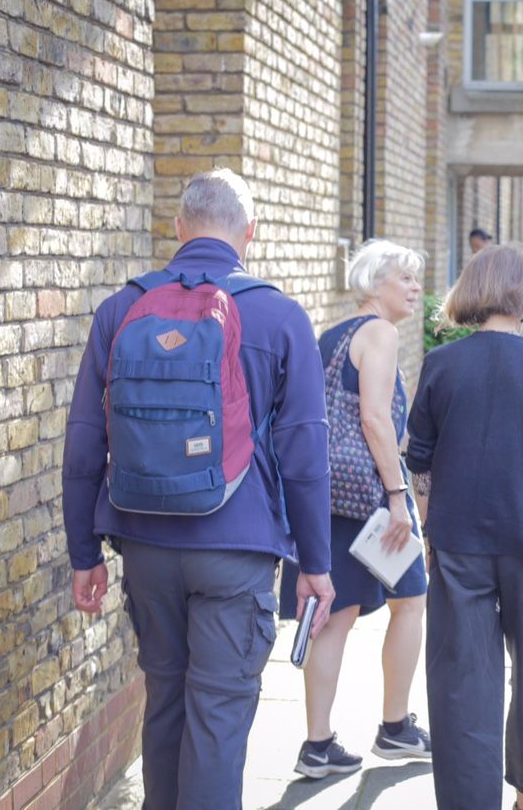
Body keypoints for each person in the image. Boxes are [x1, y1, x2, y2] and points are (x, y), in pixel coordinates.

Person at [62, 168, 336, 809]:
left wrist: (83, 553)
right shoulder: (278, 314)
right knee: (216, 720)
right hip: (235, 552)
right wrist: (316, 566)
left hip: (145, 547)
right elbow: (305, 457)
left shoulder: (120, 308)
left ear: (179, 228)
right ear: (251, 234)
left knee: (164, 705)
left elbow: (81, 446)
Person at [407, 244, 523, 810]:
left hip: (459, 545)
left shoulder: (441, 365)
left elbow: (420, 462)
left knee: (463, 680)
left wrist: (427, 530)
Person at [280, 240, 432, 778]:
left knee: (332, 617)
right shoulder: (382, 333)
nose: (415, 288)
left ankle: (318, 744)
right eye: (405, 278)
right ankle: (395, 727)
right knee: (411, 599)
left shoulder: (333, 335)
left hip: (326, 497)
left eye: (417, 279)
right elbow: (375, 419)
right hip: (370, 500)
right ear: (375, 284)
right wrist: (399, 496)